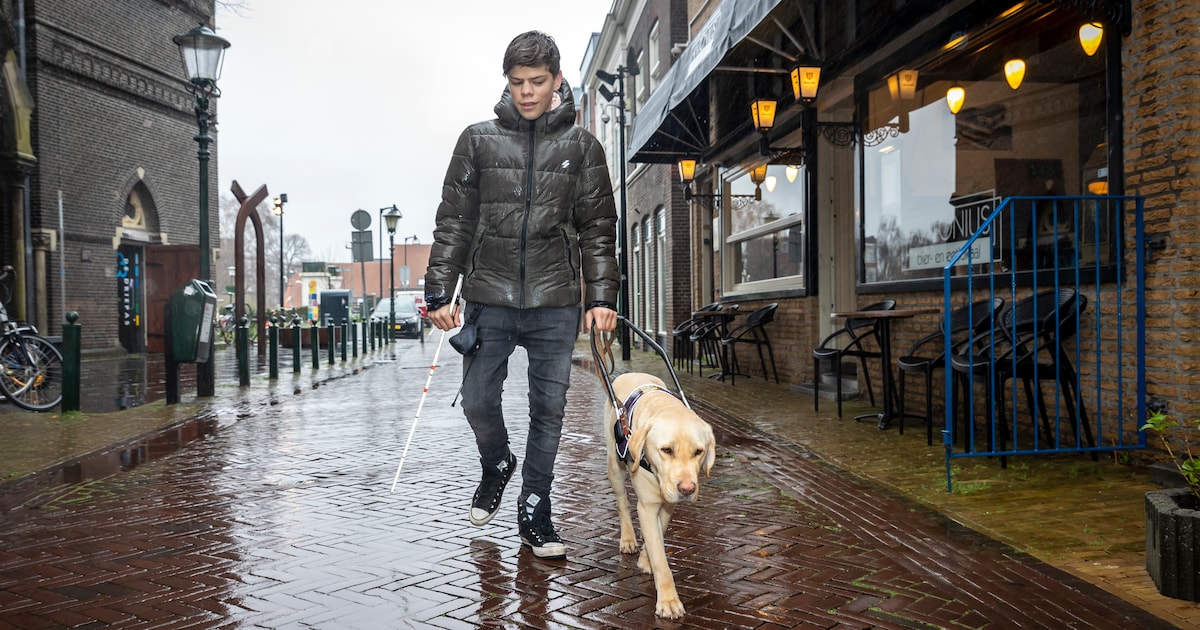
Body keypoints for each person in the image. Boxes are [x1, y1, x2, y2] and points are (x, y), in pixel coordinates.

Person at [424, 30, 618, 561]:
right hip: (489, 295)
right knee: (478, 400)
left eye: (537, 82)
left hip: (556, 301)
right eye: (517, 83)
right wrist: (440, 289)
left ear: (557, 80)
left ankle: (535, 506)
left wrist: (602, 296)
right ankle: (497, 464)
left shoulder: (582, 148)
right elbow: (454, 222)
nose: (527, 92)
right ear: (506, 83)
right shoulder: (478, 140)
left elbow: (599, 228)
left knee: (549, 407)